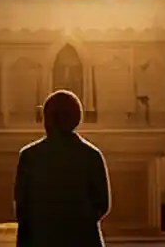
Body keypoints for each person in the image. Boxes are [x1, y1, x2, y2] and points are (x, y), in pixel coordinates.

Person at [14, 90, 110, 247]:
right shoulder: (91, 155)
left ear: (47, 119)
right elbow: (102, 204)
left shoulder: (29, 156)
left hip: (39, 239)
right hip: (82, 239)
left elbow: (22, 206)